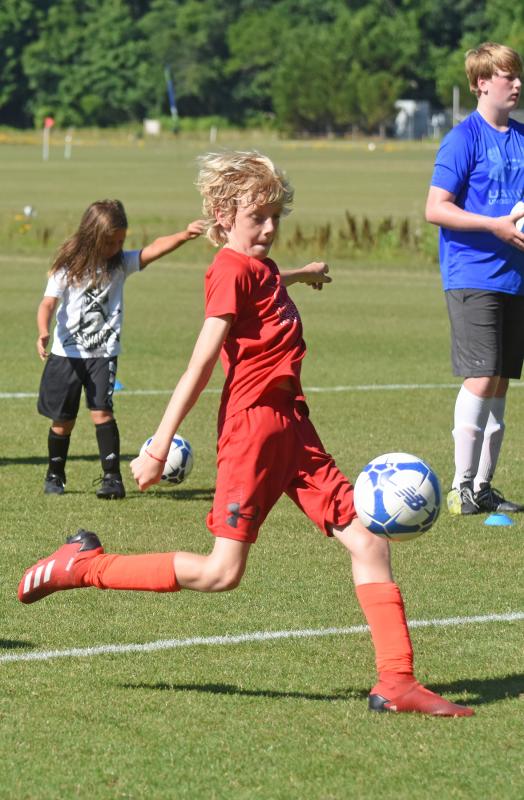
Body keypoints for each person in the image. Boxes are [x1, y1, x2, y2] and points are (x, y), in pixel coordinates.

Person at [19, 152, 473, 717]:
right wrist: (159, 442)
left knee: (368, 540)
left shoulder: (260, 268)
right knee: (221, 572)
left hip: (295, 428)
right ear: (223, 216)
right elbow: (202, 362)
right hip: (253, 430)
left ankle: (397, 680)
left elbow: (266, 282)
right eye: (256, 217)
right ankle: (84, 565)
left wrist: (301, 275)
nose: (268, 228)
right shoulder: (230, 270)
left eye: (275, 217)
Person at [36, 199, 205, 499]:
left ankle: (112, 478)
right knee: (63, 421)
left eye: (121, 242)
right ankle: (55, 474)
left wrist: (184, 234)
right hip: (67, 355)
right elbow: (48, 303)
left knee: (102, 413)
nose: (117, 247)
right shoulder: (68, 267)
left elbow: (154, 249)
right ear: (93, 237)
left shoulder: (120, 264)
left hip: (103, 354)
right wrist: (43, 330)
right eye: (111, 242)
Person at [425, 42, 524, 516]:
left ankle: (483, 487)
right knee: (482, 376)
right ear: (482, 83)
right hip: (473, 274)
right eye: (508, 76)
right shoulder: (462, 138)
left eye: (518, 75)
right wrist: (494, 226)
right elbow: (435, 208)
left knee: (500, 381)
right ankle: (460, 486)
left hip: (515, 278)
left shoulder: (522, 138)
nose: (517, 84)